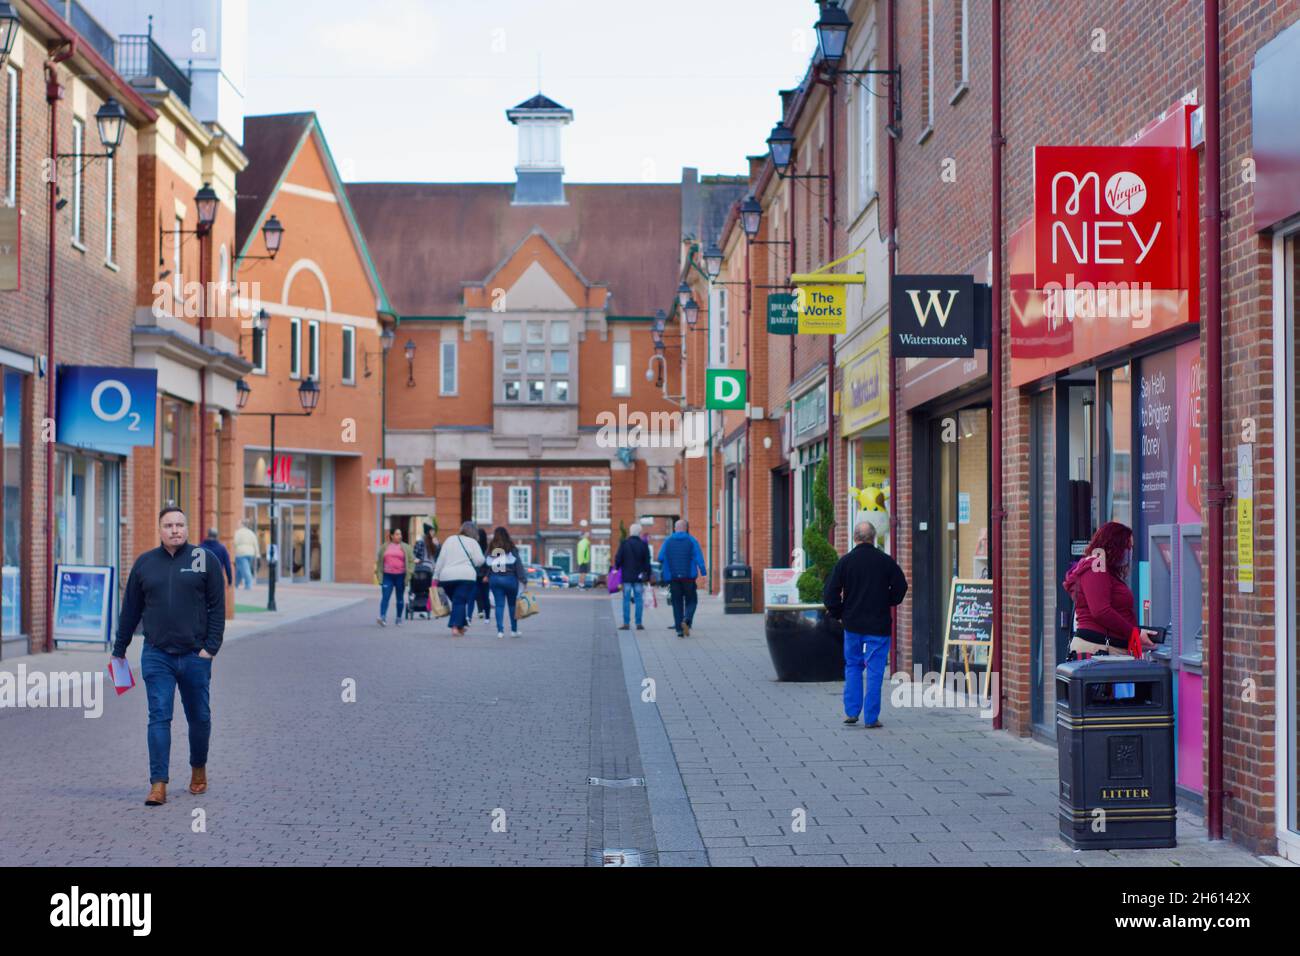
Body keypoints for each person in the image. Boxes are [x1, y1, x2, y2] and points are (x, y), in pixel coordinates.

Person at [111, 506, 226, 806]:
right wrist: (119, 650)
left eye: (180, 524)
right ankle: (158, 783)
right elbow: (130, 611)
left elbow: (217, 607)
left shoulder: (205, 560)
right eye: (168, 525)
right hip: (157, 654)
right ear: (159, 529)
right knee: (159, 717)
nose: (175, 530)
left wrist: (210, 649)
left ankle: (198, 768)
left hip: (194, 656)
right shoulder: (145, 564)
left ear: (187, 528)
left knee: (199, 717)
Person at [823, 520, 908, 729]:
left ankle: (852, 711)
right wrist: (887, 600)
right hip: (879, 625)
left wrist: (839, 612)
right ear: (873, 537)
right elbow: (901, 587)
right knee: (875, 670)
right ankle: (871, 717)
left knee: (853, 665)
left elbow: (829, 593)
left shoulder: (846, 562)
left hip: (852, 624)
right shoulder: (886, 561)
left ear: (855, 538)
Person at [1063, 521, 1161, 658]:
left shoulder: (1105, 571)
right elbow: (1101, 611)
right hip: (1098, 650)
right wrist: (1135, 633)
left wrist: (1135, 636)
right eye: (1127, 547)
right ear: (1115, 547)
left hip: (1107, 650)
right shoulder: (1096, 568)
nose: (1130, 552)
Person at [657, 519, 707, 637]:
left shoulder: (668, 541)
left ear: (675, 528)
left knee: (676, 603)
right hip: (688, 578)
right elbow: (699, 558)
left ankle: (679, 630)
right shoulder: (692, 540)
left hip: (673, 578)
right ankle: (686, 619)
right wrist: (704, 573)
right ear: (686, 528)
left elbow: (660, 557)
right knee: (692, 601)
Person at [434, 521, 485, 636]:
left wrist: (435, 576)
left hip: (446, 578)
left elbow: (440, 559)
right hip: (466, 577)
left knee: (457, 601)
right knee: (460, 601)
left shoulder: (450, 539)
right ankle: (455, 627)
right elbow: (480, 561)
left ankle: (461, 626)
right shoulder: (473, 542)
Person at [485, 526, 528, 638]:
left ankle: (500, 631)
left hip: (495, 579)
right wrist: (523, 579)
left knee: (499, 605)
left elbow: (486, 563)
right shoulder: (511, 547)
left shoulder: (491, 548)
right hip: (510, 579)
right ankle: (514, 631)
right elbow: (518, 565)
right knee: (512, 606)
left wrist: (486, 576)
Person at [613, 522, 652, 631]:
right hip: (639, 577)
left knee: (626, 599)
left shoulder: (624, 543)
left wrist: (617, 567)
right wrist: (647, 576)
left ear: (630, 532)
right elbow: (647, 562)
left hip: (626, 577)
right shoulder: (644, 544)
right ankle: (639, 623)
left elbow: (618, 558)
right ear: (639, 533)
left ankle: (626, 623)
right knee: (639, 599)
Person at [373, 528, 415, 627]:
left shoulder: (406, 547)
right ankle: (382, 617)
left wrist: (410, 572)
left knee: (400, 598)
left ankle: (398, 618)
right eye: (396, 534)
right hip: (388, 575)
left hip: (400, 576)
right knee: (385, 597)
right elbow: (379, 562)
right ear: (391, 535)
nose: (399, 536)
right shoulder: (384, 547)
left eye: (400, 534)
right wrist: (379, 574)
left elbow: (411, 561)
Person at [233, 519, 258, 590]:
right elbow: (255, 543)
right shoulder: (251, 533)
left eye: (239, 524)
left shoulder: (238, 532)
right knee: (240, 570)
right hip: (251, 553)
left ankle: (248, 585)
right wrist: (257, 554)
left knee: (245, 570)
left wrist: (233, 552)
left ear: (242, 525)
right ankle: (235, 584)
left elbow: (235, 542)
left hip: (241, 553)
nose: (237, 525)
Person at [475, 527, 492, 621]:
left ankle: (481, 611)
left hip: (478, 574)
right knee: (484, 595)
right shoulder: (488, 548)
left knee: (479, 594)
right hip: (485, 575)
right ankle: (487, 615)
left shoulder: (477, 547)